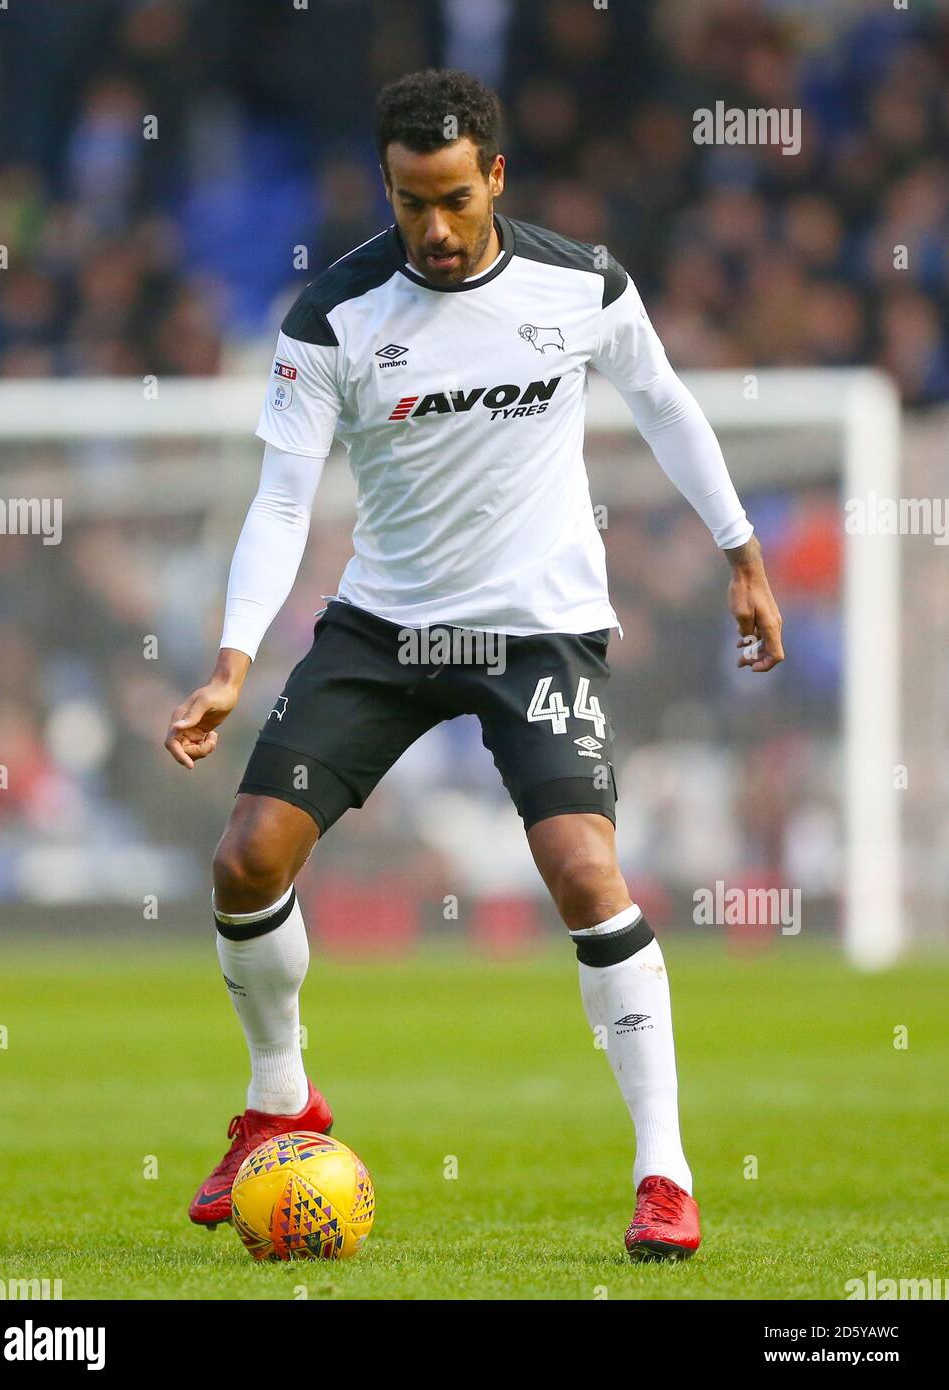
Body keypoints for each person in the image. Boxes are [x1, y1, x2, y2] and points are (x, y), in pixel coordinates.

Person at [165, 68, 784, 1260]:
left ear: (494, 175)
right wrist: (235, 656)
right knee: (246, 859)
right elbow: (282, 499)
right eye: (410, 205)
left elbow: (664, 406)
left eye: (452, 199)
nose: (435, 231)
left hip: (535, 625)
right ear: (386, 190)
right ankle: (279, 1103)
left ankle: (664, 1174)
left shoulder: (581, 282)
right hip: (382, 626)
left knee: (580, 872)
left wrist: (740, 555)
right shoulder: (331, 319)